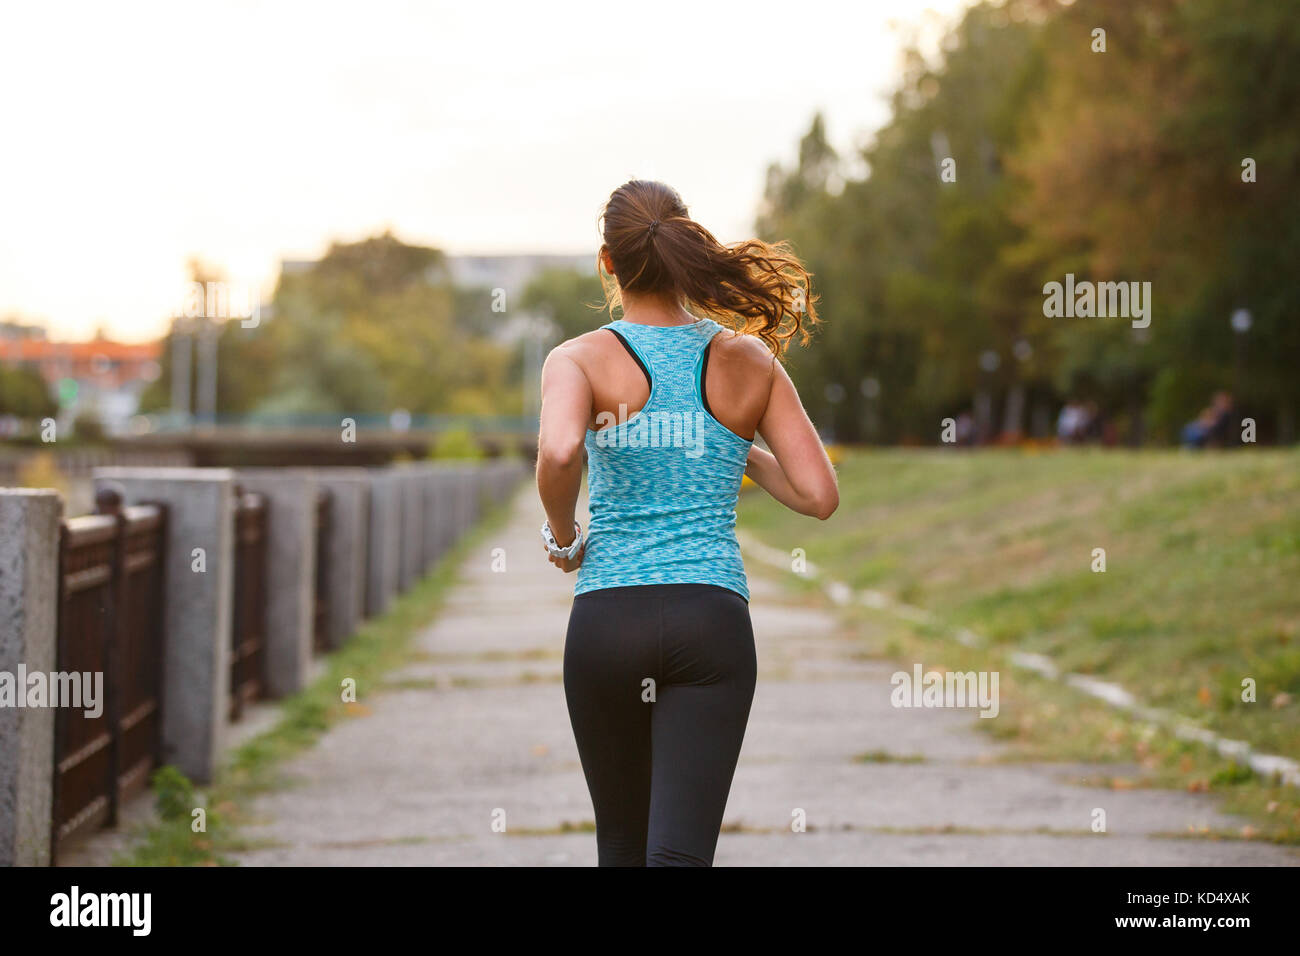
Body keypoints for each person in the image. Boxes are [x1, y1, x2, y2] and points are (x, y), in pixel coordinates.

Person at [535, 180, 839, 866]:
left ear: (607, 262)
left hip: (608, 620)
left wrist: (563, 535)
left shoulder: (578, 358)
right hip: (711, 620)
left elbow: (557, 452)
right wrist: (736, 447)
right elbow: (819, 495)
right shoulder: (748, 359)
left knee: (621, 845)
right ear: (684, 250)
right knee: (679, 856)